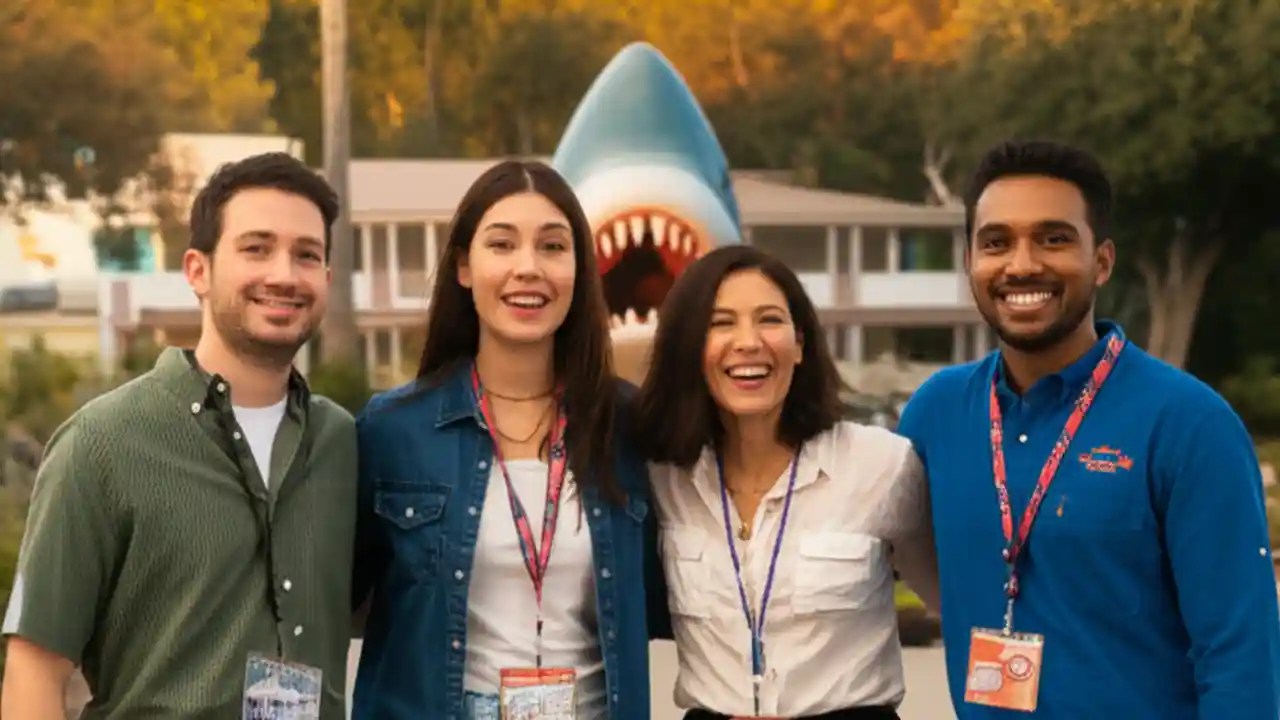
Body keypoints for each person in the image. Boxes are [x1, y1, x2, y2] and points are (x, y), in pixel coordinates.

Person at [898, 139, 1280, 718]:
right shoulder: (936, 412)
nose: (1022, 264)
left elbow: (1240, 658)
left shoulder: (1188, 424)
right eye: (996, 242)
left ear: (1102, 261)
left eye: (1053, 239)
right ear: (970, 262)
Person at [1, 152, 357, 718]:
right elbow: (33, 675)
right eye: (256, 248)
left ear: (327, 280)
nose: (284, 275)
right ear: (197, 270)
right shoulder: (103, 445)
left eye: (306, 255)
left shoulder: (343, 444)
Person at [350, 159, 660, 719]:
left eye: (552, 246)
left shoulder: (629, 426)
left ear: (578, 269)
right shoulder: (394, 431)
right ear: (465, 266)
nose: (528, 268)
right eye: (502, 244)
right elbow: (331, 594)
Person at [632, 244, 940, 720]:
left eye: (770, 320)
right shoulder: (662, 475)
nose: (748, 341)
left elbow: (951, 601)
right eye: (720, 323)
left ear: (800, 343)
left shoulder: (882, 463)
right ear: (689, 348)